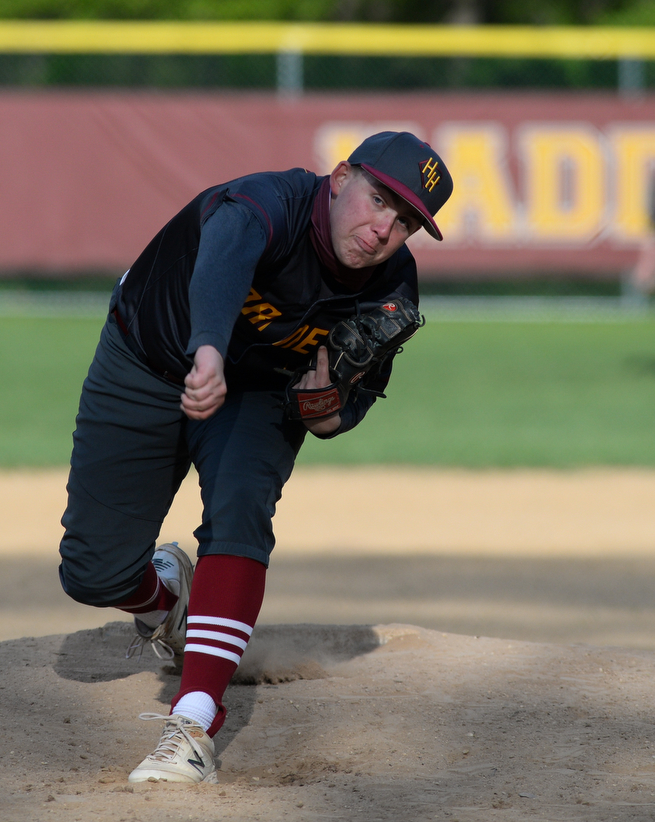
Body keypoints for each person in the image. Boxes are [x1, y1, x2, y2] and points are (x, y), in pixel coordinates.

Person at [58, 130, 453, 784]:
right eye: (380, 199)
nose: (385, 229)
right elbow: (224, 256)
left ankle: (193, 724)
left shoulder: (391, 288)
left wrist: (328, 413)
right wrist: (208, 351)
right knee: (92, 575)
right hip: (147, 358)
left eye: (406, 222)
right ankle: (165, 599)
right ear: (341, 178)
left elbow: (351, 402)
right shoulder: (265, 205)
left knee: (241, 507)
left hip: (261, 390)